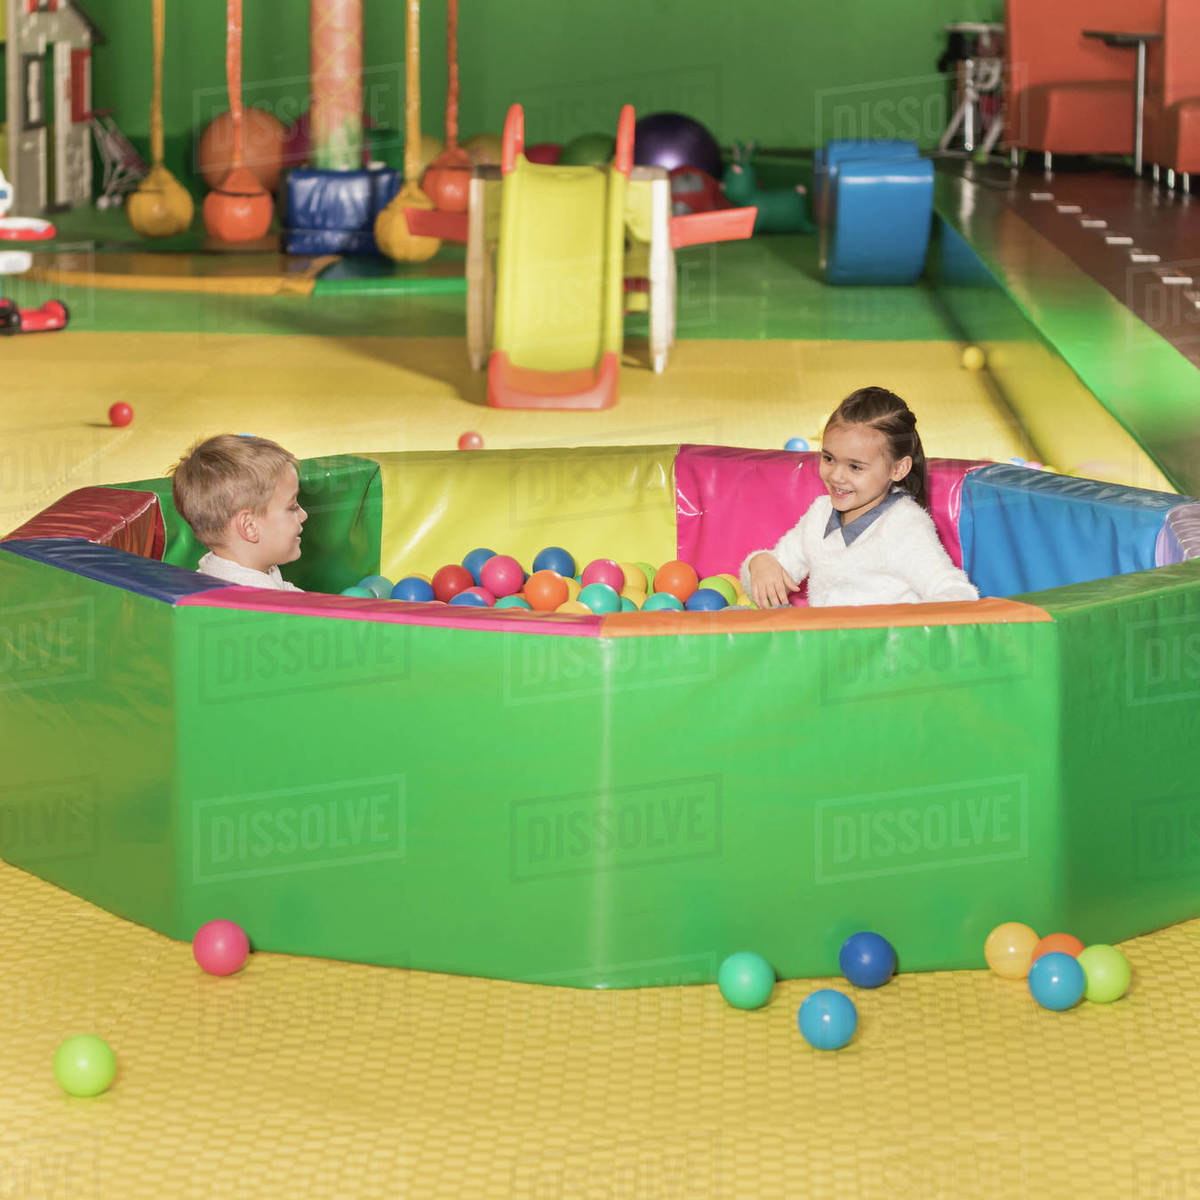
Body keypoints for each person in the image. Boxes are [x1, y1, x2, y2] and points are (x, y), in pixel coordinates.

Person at [741, 387, 978, 608]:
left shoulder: (904, 525)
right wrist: (759, 564)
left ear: (898, 469)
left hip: (884, 639)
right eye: (829, 459)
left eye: (855, 467)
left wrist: (915, 629)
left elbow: (953, 590)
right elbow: (772, 581)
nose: (836, 476)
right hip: (827, 636)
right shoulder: (819, 513)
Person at [171, 434, 306, 591]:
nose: (304, 515)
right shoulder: (260, 599)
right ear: (249, 526)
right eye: (292, 507)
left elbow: (284, 589)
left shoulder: (220, 570)